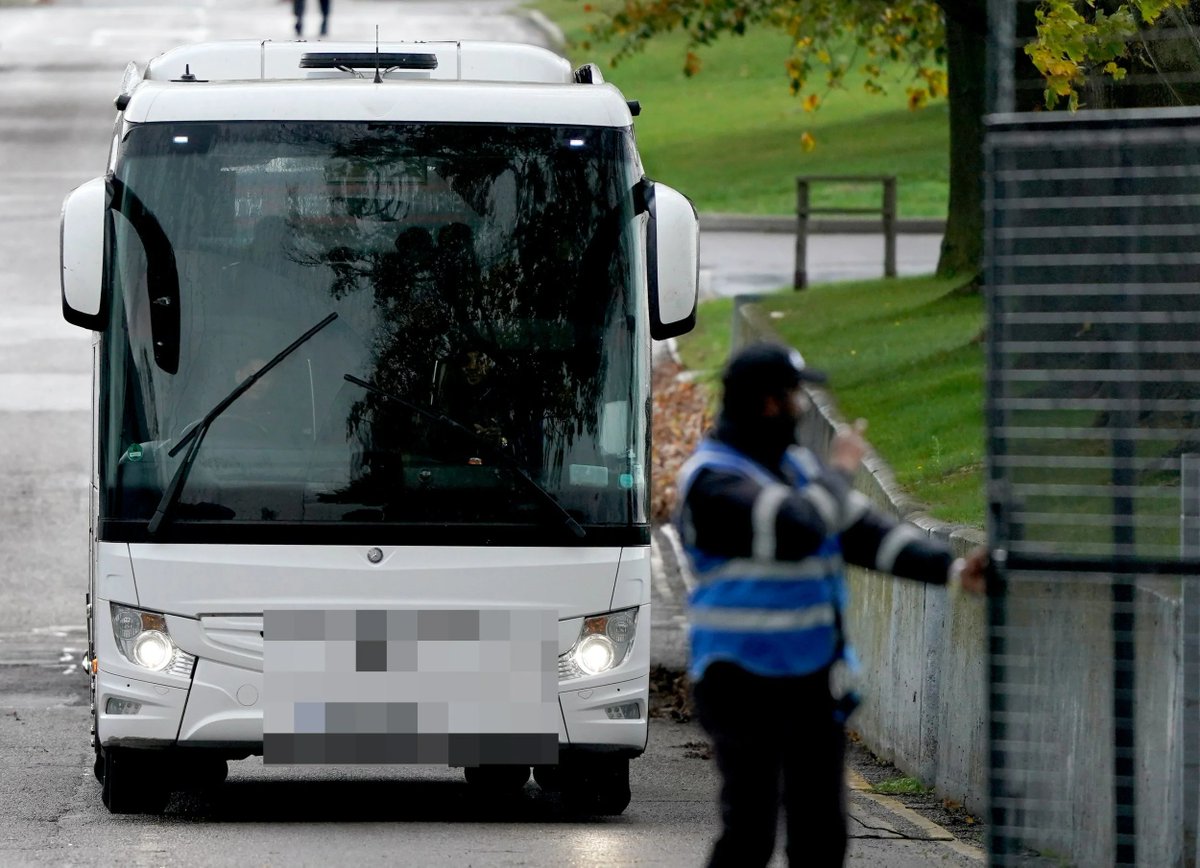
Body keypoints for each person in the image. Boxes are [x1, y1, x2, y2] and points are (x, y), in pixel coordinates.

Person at [675, 342, 988, 868]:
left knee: (821, 831)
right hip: (737, 680)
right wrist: (840, 471)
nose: (801, 407)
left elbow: (865, 535)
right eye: (796, 396)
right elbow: (798, 528)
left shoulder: (796, 469)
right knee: (751, 828)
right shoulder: (712, 479)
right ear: (770, 404)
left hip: (809, 681)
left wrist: (952, 570)